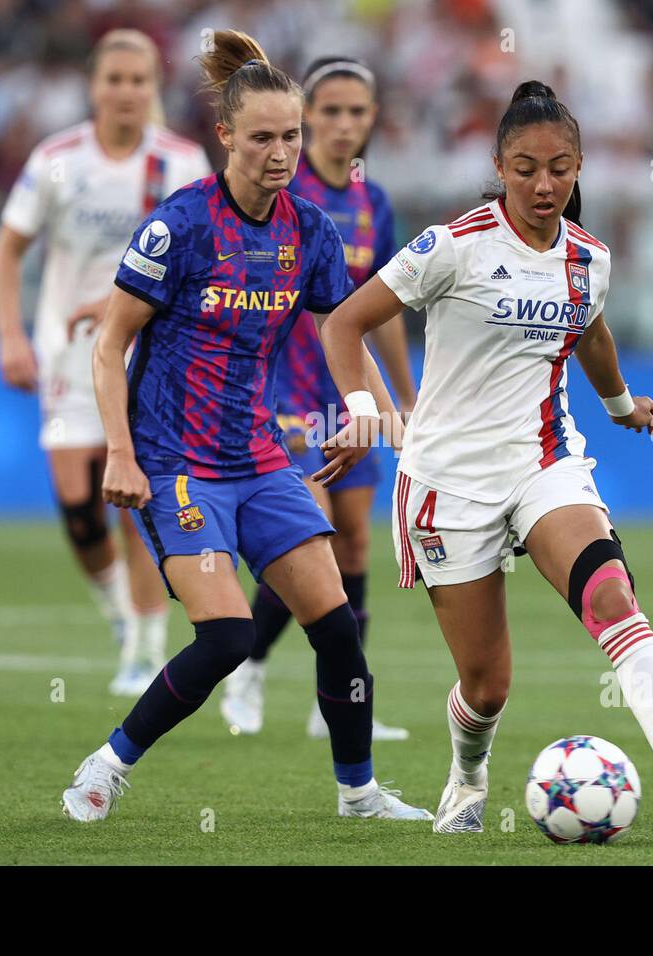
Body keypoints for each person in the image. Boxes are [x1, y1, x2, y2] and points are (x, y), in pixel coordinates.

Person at [319, 81, 653, 838]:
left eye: (559, 167)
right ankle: (467, 777)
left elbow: (592, 333)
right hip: (447, 478)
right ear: (499, 165)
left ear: (579, 167)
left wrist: (620, 406)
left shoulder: (589, 260)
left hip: (545, 463)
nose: (543, 185)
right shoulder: (452, 246)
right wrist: (361, 414)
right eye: (525, 168)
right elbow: (344, 325)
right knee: (487, 685)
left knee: (612, 594)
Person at [59, 30, 431, 824]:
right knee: (227, 637)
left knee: (337, 626)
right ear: (224, 136)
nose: (282, 151)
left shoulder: (309, 232)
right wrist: (120, 456)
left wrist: (367, 412)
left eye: (290, 135)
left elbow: (343, 333)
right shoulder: (181, 226)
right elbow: (110, 344)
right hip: (175, 462)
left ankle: (358, 793)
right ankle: (107, 763)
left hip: (259, 457)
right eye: (263, 136)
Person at [0, 30, 211, 695]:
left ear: (154, 88)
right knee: (80, 510)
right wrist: (9, 336)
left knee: (132, 496)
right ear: (93, 86)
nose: (126, 91)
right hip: (67, 351)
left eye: (138, 80)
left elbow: (207, 259)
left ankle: (144, 647)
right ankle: (119, 612)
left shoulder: (182, 162)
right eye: (114, 79)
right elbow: (7, 251)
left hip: (153, 353)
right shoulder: (57, 160)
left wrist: (128, 302)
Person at [220, 56, 418, 741]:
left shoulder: (374, 202)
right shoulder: (283, 191)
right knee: (316, 539)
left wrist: (405, 399)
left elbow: (383, 310)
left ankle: (336, 696)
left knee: (359, 545)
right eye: (328, 112)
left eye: (356, 112)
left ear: (371, 121)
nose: (342, 125)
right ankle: (247, 666)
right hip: (283, 393)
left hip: (351, 394)